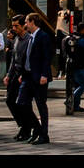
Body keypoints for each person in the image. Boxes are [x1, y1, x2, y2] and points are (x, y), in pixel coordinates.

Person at [19, 12, 54, 144]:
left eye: (27, 21)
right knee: (21, 103)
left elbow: (47, 57)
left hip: (39, 77)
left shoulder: (43, 36)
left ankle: (44, 135)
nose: (25, 24)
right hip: (28, 76)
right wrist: (23, 74)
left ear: (33, 22)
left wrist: (45, 74)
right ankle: (38, 129)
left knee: (41, 105)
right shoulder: (30, 37)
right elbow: (27, 57)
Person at [4, 15, 31, 140]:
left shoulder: (29, 40)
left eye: (16, 26)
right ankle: (22, 125)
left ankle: (26, 128)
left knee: (22, 103)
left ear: (24, 25)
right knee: (10, 100)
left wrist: (24, 74)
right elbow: (13, 60)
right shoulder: (16, 40)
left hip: (24, 74)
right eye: (13, 26)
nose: (14, 28)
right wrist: (8, 75)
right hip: (15, 73)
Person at [64, 21, 84, 113]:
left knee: (77, 86)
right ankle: (70, 100)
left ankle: (76, 106)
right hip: (80, 66)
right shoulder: (81, 39)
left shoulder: (73, 37)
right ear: (83, 29)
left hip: (72, 65)